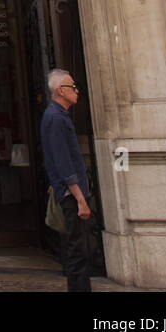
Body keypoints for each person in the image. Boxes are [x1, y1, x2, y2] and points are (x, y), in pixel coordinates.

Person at [40, 68, 93, 292]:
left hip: (74, 194)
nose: (77, 91)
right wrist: (80, 199)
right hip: (71, 196)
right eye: (72, 87)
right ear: (61, 90)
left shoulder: (59, 116)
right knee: (77, 251)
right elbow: (63, 164)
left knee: (80, 249)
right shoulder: (55, 118)